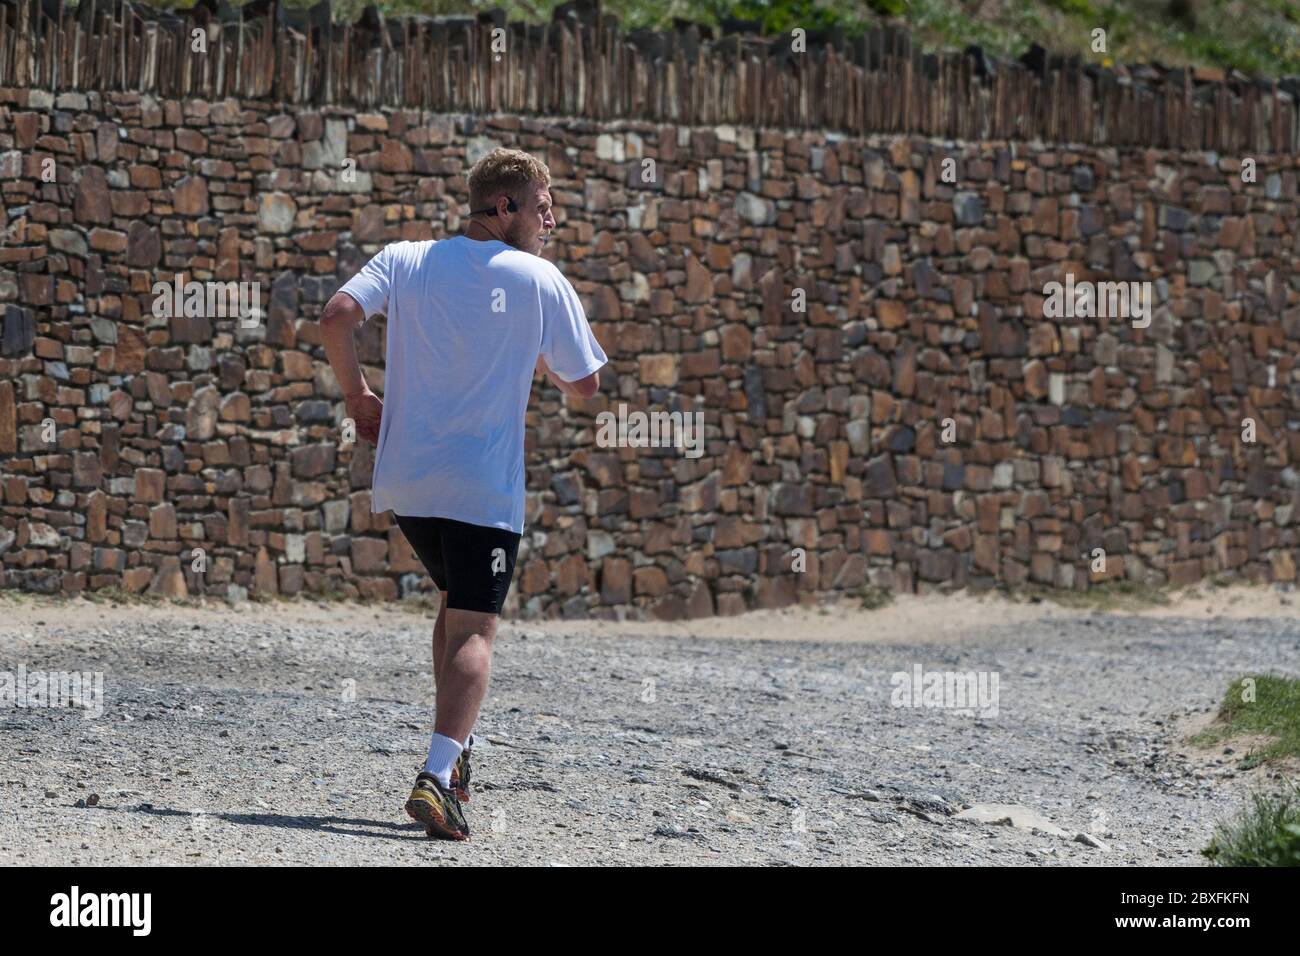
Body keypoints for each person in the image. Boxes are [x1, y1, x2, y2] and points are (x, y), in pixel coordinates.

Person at [318, 147, 607, 839]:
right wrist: (537, 350)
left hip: (408, 481)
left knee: (453, 607)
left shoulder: (406, 258)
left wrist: (358, 396)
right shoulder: (539, 279)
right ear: (503, 209)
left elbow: (335, 316)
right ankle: (435, 776)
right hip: (481, 486)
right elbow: (587, 386)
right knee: (477, 626)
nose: (552, 220)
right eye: (542, 208)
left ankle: (459, 753)